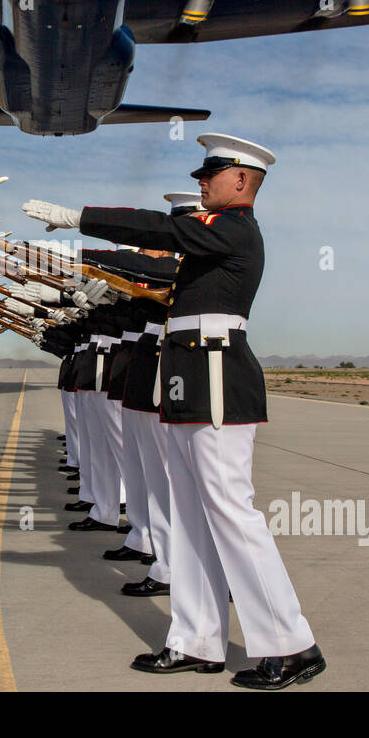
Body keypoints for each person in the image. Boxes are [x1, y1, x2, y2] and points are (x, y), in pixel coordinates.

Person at [23, 133, 325, 690]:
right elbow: (149, 269)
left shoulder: (233, 230)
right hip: (189, 378)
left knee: (232, 513)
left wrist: (77, 219)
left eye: (208, 175)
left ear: (241, 181)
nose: (200, 183)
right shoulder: (211, 237)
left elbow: (158, 232)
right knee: (188, 515)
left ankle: (292, 643)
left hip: (216, 378)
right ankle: (196, 640)